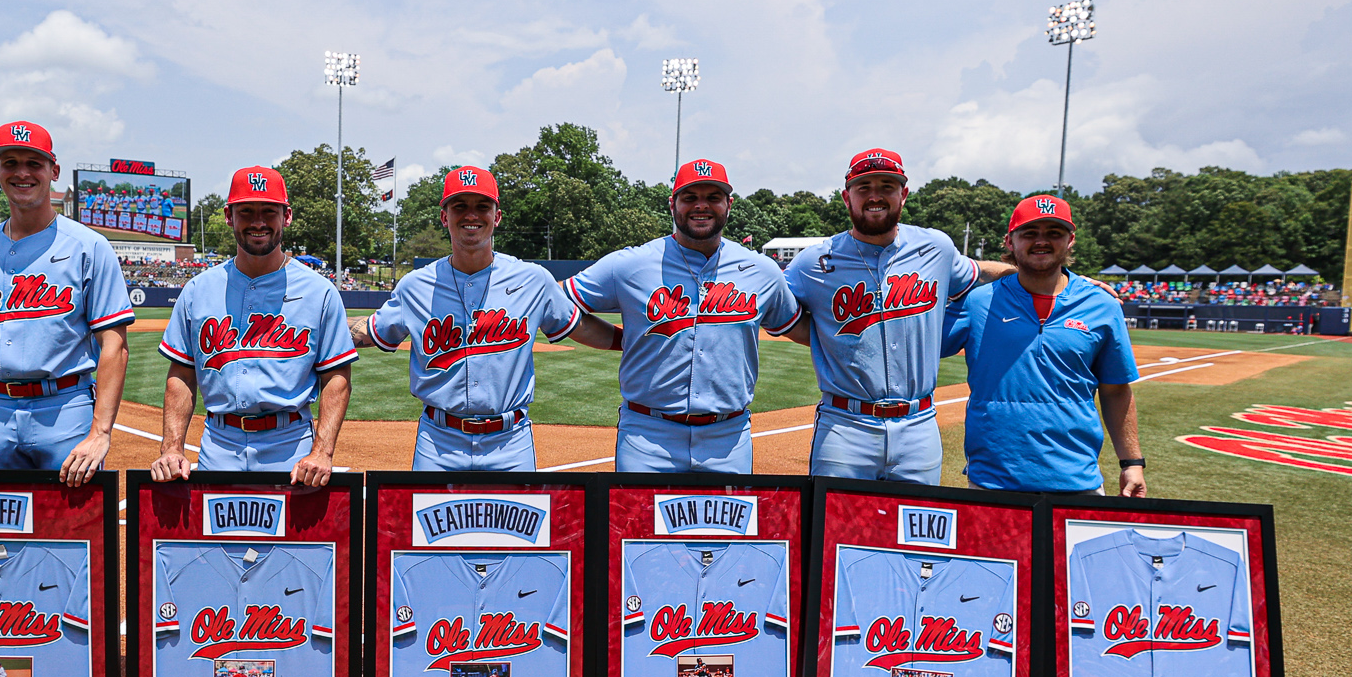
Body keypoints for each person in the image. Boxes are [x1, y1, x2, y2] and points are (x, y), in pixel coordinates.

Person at [351, 166, 614, 470]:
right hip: (438, 443)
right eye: (460, 206)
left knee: (519, 518)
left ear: (497, 216)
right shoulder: (415, 286)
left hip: (511, 443)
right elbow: (369, 331)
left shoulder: (533, 279)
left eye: (482, 206)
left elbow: (577, 326)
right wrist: (312, 329)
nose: (471, 215)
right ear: (444, 216)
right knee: (425, 517)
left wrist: (633, 341)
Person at [782, 149, 1015, 484]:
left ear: (903, 195)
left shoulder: (936, 247)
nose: (875, 196)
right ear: (847, 198)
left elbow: (979, 273)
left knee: (914, 533)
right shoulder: (812, 263)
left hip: (918, 426)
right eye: (864, 188)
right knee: (833, 529)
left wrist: (1061, 279)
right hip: (844, 426)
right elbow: (772, 305)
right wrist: (821, 336)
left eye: (887, 186)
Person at [0, 121, 135, 486]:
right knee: (3, 532)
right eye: (10, 162)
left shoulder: (88, 246)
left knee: (74, 531)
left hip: (65, 408)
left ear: (53, 171)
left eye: (34, 163)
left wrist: (100, 432)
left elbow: (114, 345)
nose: (22, 172)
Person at [565, 159, 802, 473]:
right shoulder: (631, 265)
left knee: (725, 523)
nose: (701, 206)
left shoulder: (762, 271)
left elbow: (800, 326)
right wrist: (618, 340)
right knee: (638, 523)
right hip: (647, 437)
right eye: (690, 197)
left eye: (712, 197)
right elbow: (555, 303)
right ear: (672, 203)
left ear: (729, 204)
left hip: (728, 437)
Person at [150, 166, 353, 485]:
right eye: (246, 211)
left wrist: (322, 453)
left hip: (290, 444)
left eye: (268, 211)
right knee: (218, 534)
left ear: (286, 216)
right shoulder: (198, 289)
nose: (258, 221)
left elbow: (336, 377)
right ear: (229, 216)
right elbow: (182, 374)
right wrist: (172, 447)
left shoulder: (319, 292)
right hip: (218, 442)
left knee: (291, 535)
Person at [943, 195, 1146, 496]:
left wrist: (1131, 462)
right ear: (1009, 242)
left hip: (1078, 481)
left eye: (1054, 233)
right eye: (1029, 233)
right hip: (992, 481)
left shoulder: (1101, 305)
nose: (1042, 241)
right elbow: (916, 343)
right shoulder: (977, 303)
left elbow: (1116, 389)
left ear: (1070, 240)